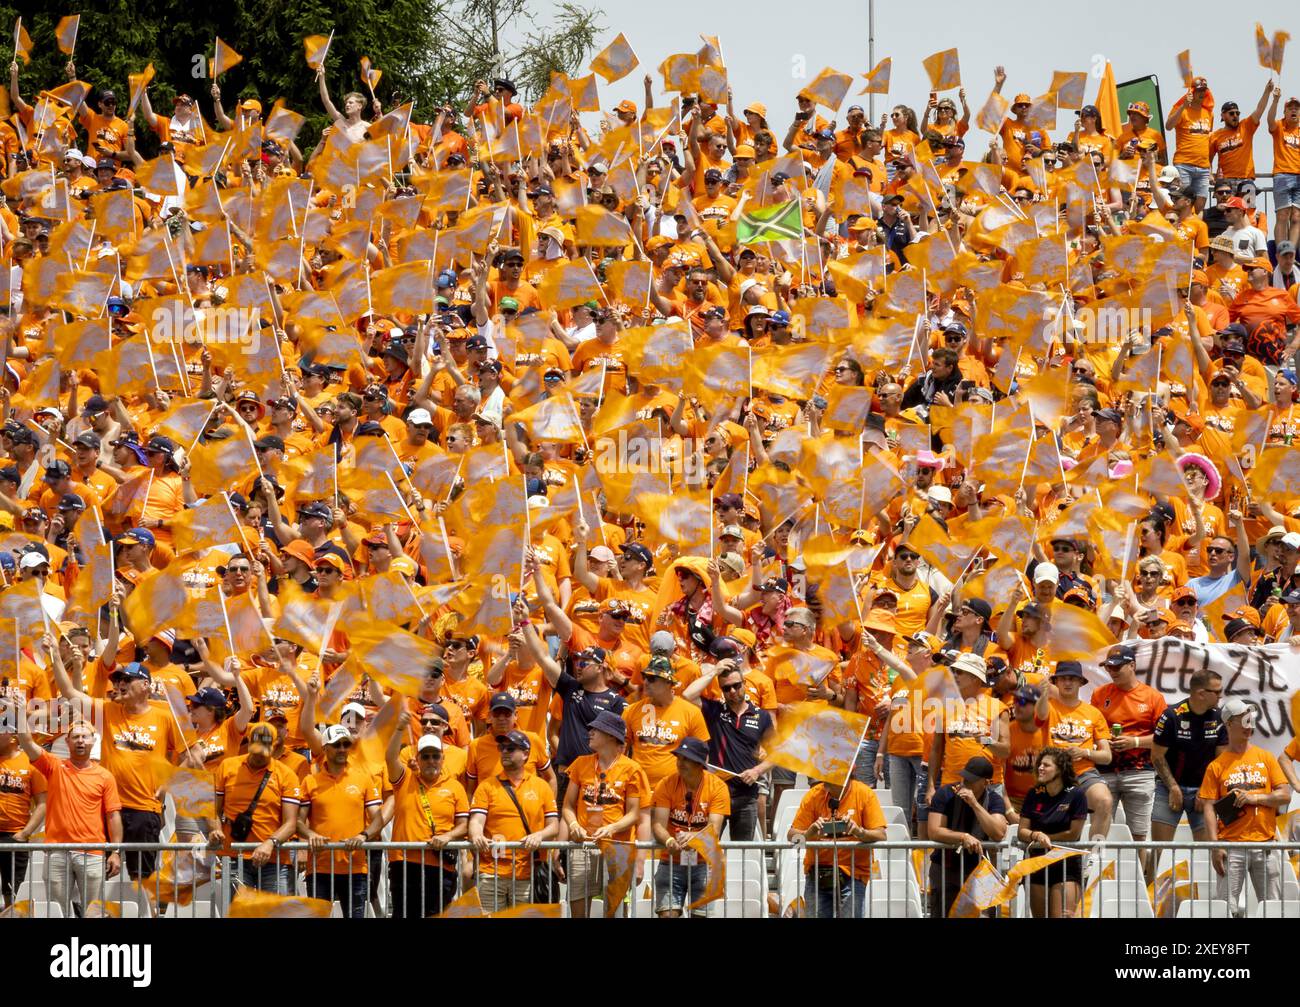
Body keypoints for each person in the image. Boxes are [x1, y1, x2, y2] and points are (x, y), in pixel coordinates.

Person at [14, 720, 121, 917]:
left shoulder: (105, 776)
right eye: (76, 737)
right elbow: (26, 741)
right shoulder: (54, 766)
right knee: (57, 912)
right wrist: (20, 712)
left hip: (92, 853)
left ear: (93, 741)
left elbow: (113, 815)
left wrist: (115, 851)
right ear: (67, 742)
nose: (80, 741)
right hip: (57, 852)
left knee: (93, 913)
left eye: (85, 736)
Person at [1199, 698, 1292, 915]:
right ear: (1229, 724)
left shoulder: (1266, 758)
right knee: (1226, 909)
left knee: (1272, 908)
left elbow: (1285, 795)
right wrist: (1214, 847)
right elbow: (1209, 808)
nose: (1249, 725)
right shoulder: (1216, 766)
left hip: (1266, 846)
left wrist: (1253, 798)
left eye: (1250, 720)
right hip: (1231, 847)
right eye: (1243, 720)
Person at [561, 711, 647, 917]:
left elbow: (635, 813)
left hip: (619, 846)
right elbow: (567, 806)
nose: (589, 732)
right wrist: (574, 826)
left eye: (595, 729)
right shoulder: (580, 763)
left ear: (610, 735)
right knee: (578, 910)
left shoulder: (632, 769)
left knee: (616, 912)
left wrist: (612, 828)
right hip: (583, 845)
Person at [298, 724, 383, 919]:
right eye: (337, 745)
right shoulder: (310, 781)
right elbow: (298, 822)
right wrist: (310, 835)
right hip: (319, 868)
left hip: (356, 868)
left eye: (346, 744)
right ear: (325, 748)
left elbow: (377, 818)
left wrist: (364, 835)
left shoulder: (364, 779)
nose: (343, 749)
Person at [468, 730, 559, 911]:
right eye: (502, 748)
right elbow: (476, 821)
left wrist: (539, 835)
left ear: (525, 754)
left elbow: (554, 826)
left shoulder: (541, 786)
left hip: (526, 873)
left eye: (510, 748)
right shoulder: (486, 785)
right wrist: (476, 834)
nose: (504, 752)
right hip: (490, 872)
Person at [207, 722, 301, 896]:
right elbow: (213, 809)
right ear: (248, 743)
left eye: (263, 752)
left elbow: (291, 823)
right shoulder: (227, 767)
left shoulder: (286, 775)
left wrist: (270, 843)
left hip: (274, 859)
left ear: (274, 746)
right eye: (256, 751)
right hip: (235, 855)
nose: (259, 757)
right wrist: (216, 829)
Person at [384, 724, 468, 919]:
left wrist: (448, 836)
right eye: (426, 756)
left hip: (439, 866)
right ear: (418, 759)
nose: (431, 761)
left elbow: (463, 825)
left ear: (443, 758)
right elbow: (390, 757)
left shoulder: (455, 787)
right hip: (404, 863)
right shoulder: (404, 779)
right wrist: (398, 730)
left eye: (435, 756)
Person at [688, 659, 774, 840]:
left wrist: (757, 771)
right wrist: (714, 672)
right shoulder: (715, 711)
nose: (733, 691)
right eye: (726, 688)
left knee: (743, 855)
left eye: (736, 685)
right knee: (709, 848)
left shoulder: (762, 716)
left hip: (746, 795)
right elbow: (688, 695)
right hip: (715, 793)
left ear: (744, 684)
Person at [788, 774, 887, 918]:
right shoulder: (814, 794)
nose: (824, 780)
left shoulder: (865, 794)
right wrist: (809, 833)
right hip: (817, 874)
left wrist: (859, 832)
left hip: (853, 874)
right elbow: (792, 837)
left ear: (845, 778)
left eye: (831, 776)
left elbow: (881, 835)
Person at [650, 737, 729, 918]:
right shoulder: (666, 784)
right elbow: (658, 825)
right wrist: (668, 840)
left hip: (704, 863)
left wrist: (693, 838)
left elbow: (714, 829)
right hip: (670, 861)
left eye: (687, 759)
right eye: (679, 758)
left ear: (700, 763)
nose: (680, 763)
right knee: (667, 915)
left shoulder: (718, 787)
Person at [926, 756, 1009, 918]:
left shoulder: (994, 800)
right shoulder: (945, 794)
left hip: (979, 870)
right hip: (945, 869)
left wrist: (975, 804)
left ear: (986, 783)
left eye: (971, 781)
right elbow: (934, 831)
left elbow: (998, 833)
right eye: (964, 778)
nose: (965, 783)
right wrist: (963, 837)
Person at [1151, 669, 1226, 844]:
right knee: (1159, 851)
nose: (1220, 696)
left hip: (1203, 790)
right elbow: (1156, 756)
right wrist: (1173, 788)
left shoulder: (1219, 717)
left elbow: (1221, 761)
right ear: (1201, 694)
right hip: (1168, 787)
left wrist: (1206, 790)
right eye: (1217, 692)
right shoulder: (1171, 716)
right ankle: (1155, 873)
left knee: (1206, 853)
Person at [1017, 747, 1089, 918]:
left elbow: (1073, 833)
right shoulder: (1034, 794)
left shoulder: (1077, 795)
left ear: (1060, 769)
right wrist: (1036, 836)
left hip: (1066, 865)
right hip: (1037, 863)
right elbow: (1022, 831)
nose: (1040, 767)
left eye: (1046, 765)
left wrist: (1047, 838)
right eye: (1040, 764)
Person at [1045, 660, 1113, 838]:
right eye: (1063, 679)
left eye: (1073, 679)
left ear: (1081, 683)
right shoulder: (1046, 708)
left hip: (1084, 773)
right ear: (1056, 682)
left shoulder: (1093, 713)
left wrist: (1085, 752)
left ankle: (1095, 857)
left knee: (1105, 801)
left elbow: (1106, 756)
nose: (1068, 683)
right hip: (1052, 774)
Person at [0, 715, 46, 907]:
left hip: (15, 835)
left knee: (14, 892)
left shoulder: (31, 763)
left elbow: (43, 803)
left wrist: (25, 833)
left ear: (12, 737)